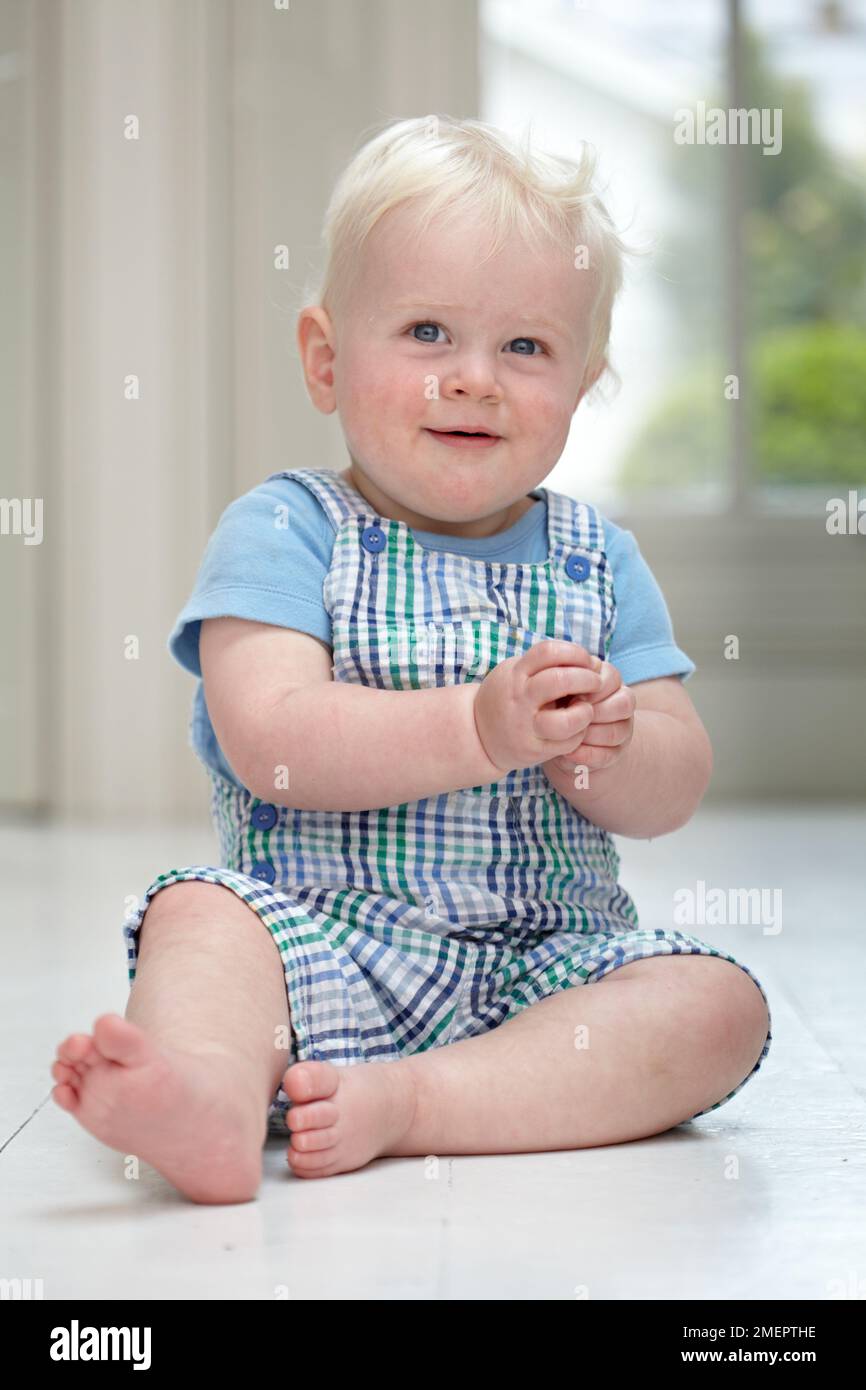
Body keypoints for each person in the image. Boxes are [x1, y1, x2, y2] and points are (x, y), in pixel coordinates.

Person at [50, 115, 772, 1204]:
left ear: (580, 385)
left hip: (543, 971)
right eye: (427, 332)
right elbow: (271, 738)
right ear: (326, 359)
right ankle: (205, 1089)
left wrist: (611, 746)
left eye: (525, 347)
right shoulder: (288, 529)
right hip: (319, 946)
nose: (474, 378)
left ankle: (427, 1100)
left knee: (717, 1005)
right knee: (200, 918)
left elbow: (671, 782)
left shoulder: (598, 561)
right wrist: (474, 729)